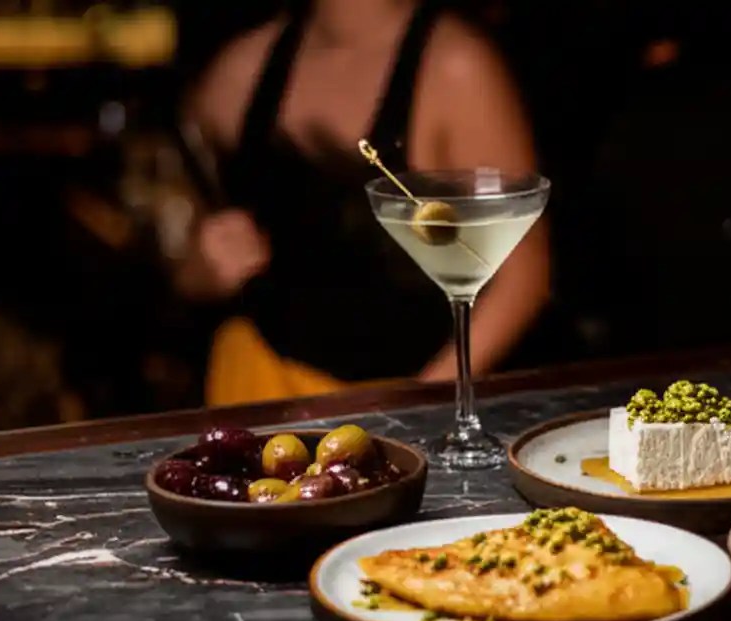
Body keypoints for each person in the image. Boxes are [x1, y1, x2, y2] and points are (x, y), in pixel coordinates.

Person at [177, 0, 550, 405]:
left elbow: (524, 277)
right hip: (263, 388)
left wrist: (418, 406)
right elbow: (181, 257)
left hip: (412, 396)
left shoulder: (455, 67)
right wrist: (201, 269)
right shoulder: (238, 70)